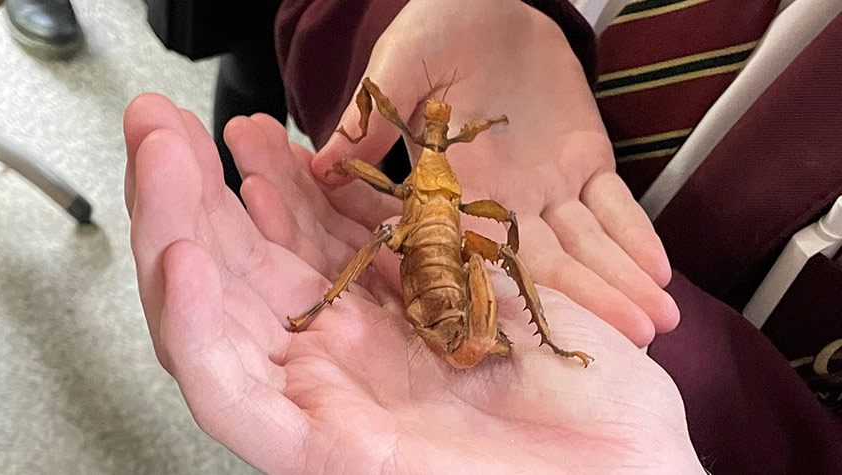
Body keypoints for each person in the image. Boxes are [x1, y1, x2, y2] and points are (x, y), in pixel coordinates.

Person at [130, 0, 842, 473]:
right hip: (441, 232)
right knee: (425, 239)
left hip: (710, 382)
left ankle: (519, 330)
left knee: (404, 239)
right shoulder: (447, 179)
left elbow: (487, 220)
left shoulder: (427, 181)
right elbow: (483, 211)